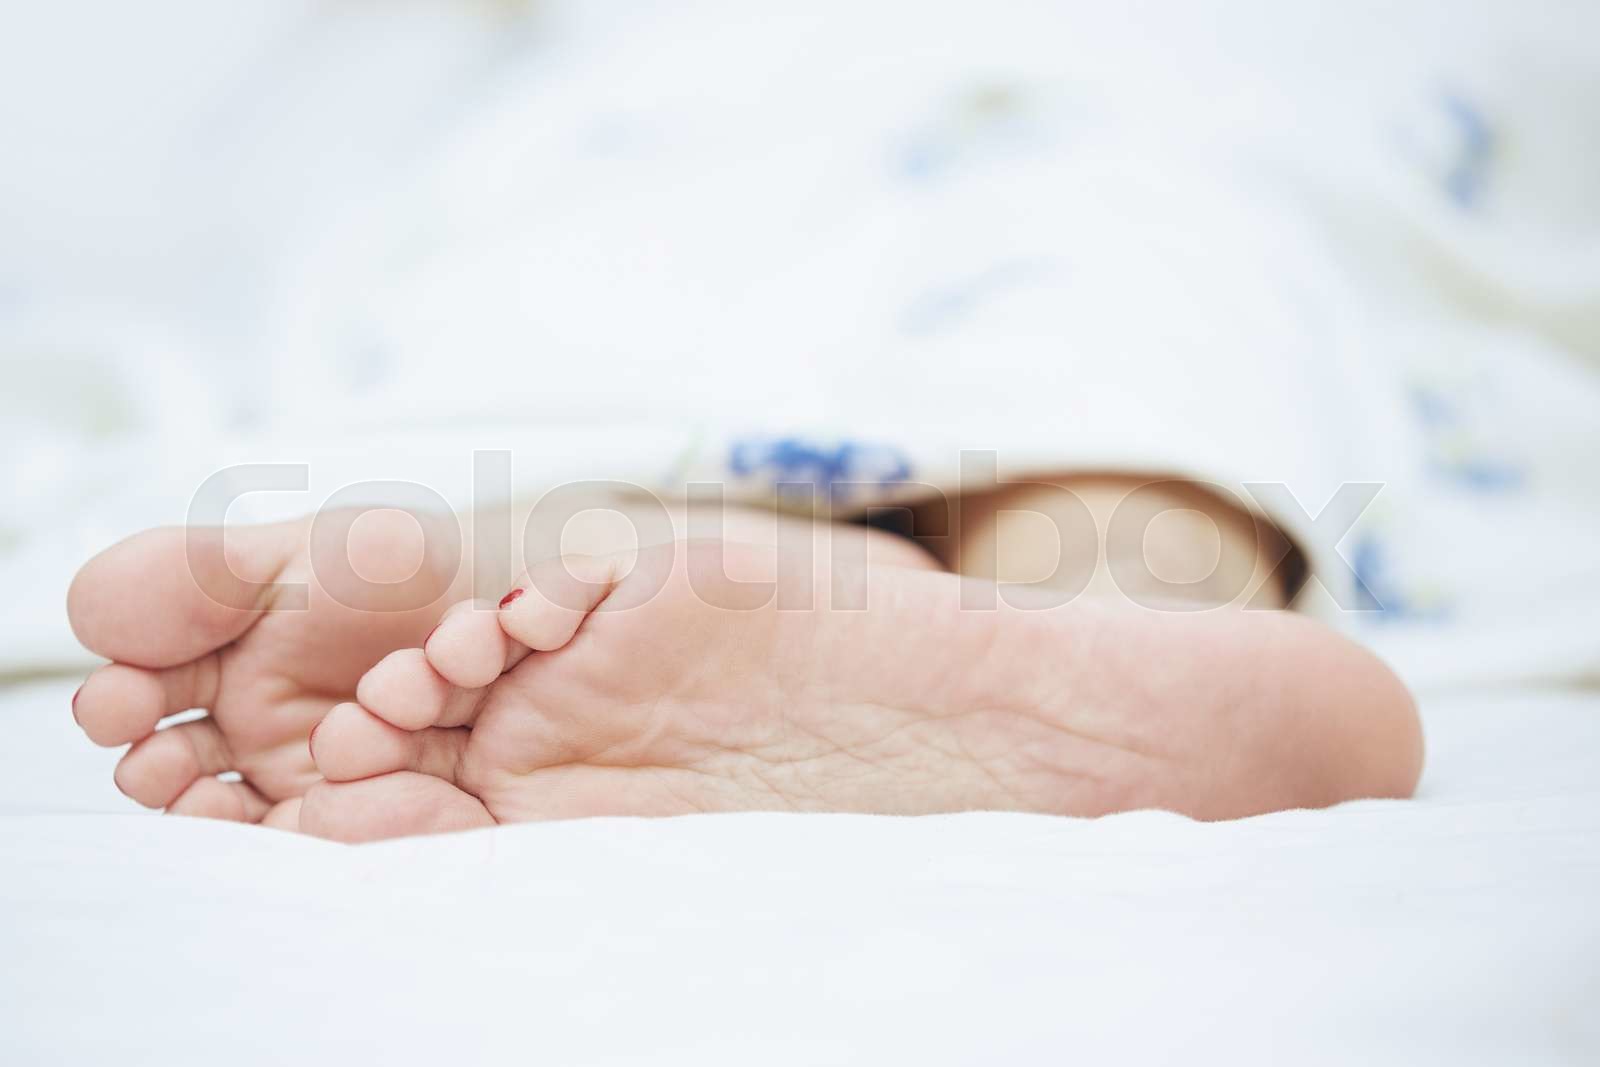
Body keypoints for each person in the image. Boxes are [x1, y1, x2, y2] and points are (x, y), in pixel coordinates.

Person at [66, 472, 1421, 842]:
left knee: (600, 495)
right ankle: (1134, 614)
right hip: (1095, 266)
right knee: (1119, 472)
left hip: (646, 315)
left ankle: (496, 607)